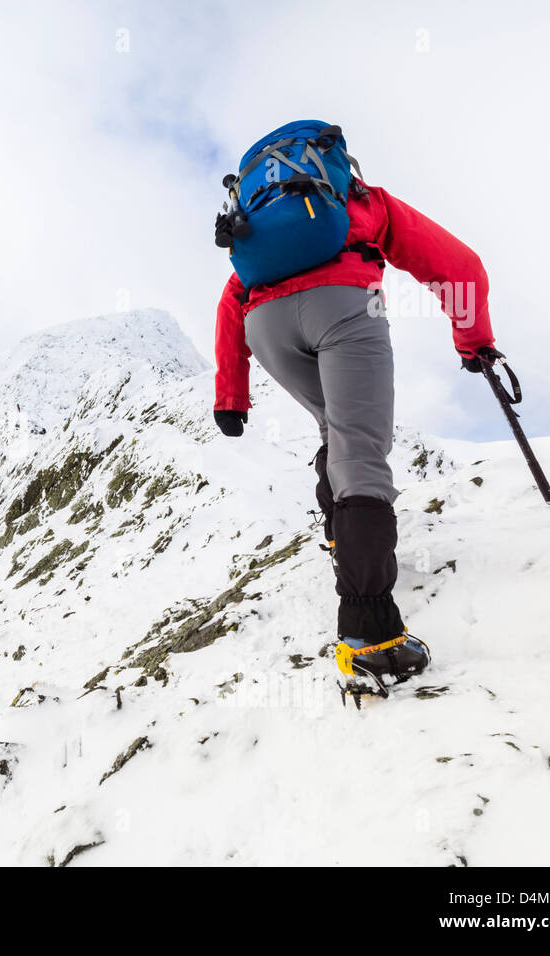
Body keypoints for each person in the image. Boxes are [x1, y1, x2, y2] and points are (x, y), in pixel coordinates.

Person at [212, 146, 502, 696]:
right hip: (343, 309)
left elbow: (232, 299)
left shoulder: (262, 233)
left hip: (265, 326)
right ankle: (371, 635)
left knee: (335, 429)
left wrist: (231, 397)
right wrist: (475, 342)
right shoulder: (362, 204)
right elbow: (459, 269)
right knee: (359, 450)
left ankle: (342, 538)